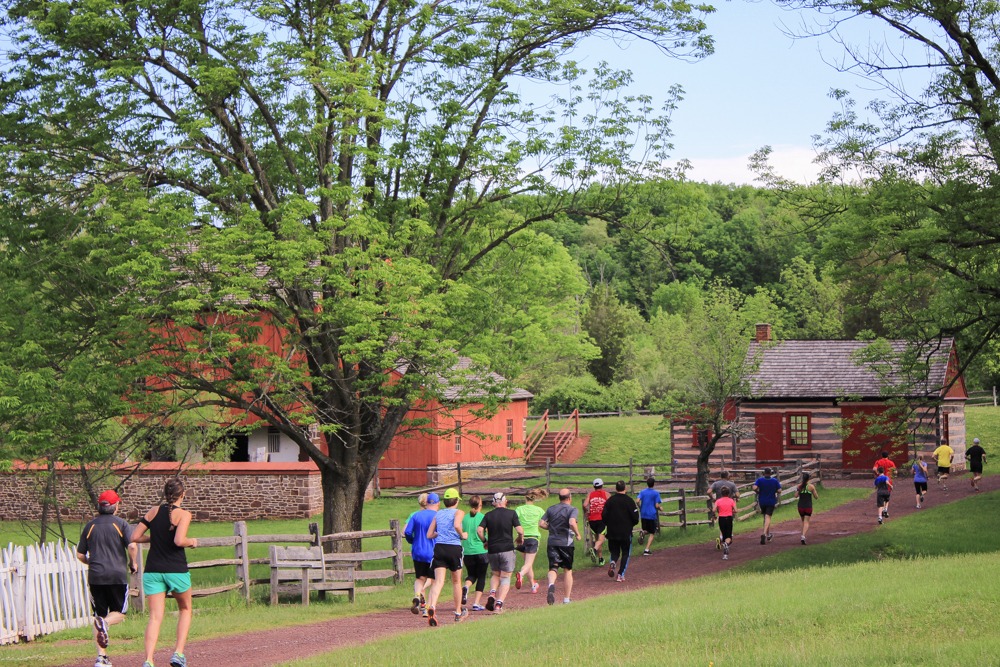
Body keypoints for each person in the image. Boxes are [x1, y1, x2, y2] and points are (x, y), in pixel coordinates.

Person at [130, 478, 198, 667]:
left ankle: (149, 660)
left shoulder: (153, 511)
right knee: (185, 609)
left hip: (153, 570)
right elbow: (178, 541)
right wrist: (192, 541)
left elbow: (134, 536)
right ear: (182, 495)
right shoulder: (184, 515)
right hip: (176, 569)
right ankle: (178, 653)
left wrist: (154, 538)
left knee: (155, 617)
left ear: (166, 494)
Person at [76, 489, 138, 667]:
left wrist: (91, 562)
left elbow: (80, 554)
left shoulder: (90, 526)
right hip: (117, 575)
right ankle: (106, 623)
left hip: (96, 577)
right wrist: (133, 563)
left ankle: (101, 658)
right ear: (116, 505)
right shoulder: (121, 524)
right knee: (119, 613)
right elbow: (132, 546)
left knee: (98, 615)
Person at [425, 487, 468, 626]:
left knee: (438, 581)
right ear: (456, 501)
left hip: (440, 548)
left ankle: (432, 606)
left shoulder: (438, 514)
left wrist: (440, 534)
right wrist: (463, 535)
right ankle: (457, 612)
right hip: (454, 547)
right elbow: (456, 525)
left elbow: (429, 534)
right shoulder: (459, 512)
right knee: (456, 582)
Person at [477, 492, 523, 614]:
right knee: (506, 577)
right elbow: (519, 529)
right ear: (505, 501)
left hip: (492, 550)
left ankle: (492, 592)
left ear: (493, 503)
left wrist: (485, 541)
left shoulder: (488, 515)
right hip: (507, 549)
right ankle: (498, 605)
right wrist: (520, 537)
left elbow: (479, 530)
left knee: (495, 574)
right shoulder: (511, 513)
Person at [538, 487, 582, 605]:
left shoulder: (551, 509)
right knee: (567, 570)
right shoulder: (572, 509)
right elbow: (572, 522)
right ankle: (566, 599)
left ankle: (551, 585)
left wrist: (551, 528)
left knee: (553, 567)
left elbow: (541, 523)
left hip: (552, 542)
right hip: (566, 543)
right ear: (569, 498)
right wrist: (578, 534)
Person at [404, 492, 438, 616]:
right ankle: (427, 608)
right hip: (433, 552)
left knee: (420, 578)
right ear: (437, 503)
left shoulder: (416, 516)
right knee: (434, 580)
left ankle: (417, 596)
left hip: (418, 551)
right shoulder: (438, 516)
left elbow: (407, 532)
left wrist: (412, 541)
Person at [601, 480, 638, 580]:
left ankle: (613, 562)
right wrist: (630, 525)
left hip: (612, 532)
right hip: (625, 532)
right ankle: (620, 574)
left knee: (614, 551)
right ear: (625, 488)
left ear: (616, 489)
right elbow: (636, 518)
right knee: (626, 552)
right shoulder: (630, 501)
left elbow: (603, 516)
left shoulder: (610, 501)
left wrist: (609, 524)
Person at [515, 488, 547, 594]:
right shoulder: (539, 510)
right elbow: (543, 523)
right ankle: (521, 574)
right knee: (528, 564)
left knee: (528, 564)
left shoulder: (519, 509)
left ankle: (533, 585)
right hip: (533, 538)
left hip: (522, 538)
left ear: (525, 497)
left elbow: (514, 521)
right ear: (535, 498)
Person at [460, 495, 488, 611]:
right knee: (481, 576)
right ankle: (476, 603)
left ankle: (466, 586)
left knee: (472, 574)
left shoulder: (464, 518)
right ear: (480, 504)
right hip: (481, 550)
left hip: (467, 551)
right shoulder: (483, 517)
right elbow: (485, 532)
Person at [708, 471, 739, 549]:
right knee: (729, 523)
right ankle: (726, 539)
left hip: (719, 504)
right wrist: (735, 498)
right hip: (730, 505)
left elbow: (709, 491)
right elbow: (738, 494)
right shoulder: (732, 484)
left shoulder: (716, 484)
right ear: (727, 476)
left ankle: (722, 537)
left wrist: (713, 498)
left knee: (721, 521)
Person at [753, 468, 781, 545]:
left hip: (762, 501)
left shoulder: (760, 480)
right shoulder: (774, 481)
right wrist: (774, 490)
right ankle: (764, 534)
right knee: (768, 517)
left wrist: (758, 491)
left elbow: (754, 487)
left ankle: (768, 535)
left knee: (765, 517)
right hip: (771, 501)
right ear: (771, 473)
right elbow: (779, 490)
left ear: (764, 473)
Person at [584, 479, 609, 565]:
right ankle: (594, 550)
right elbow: (611, 503)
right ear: (602, 485)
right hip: (602, 519)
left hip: (592, 520)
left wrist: (587, 512)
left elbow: (584, 505)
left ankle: (601, 559)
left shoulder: (590, 494)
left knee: (598, 540)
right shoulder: (606, 494)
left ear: (594, 486)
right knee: (601, 540)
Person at [636, 477, 662, 556]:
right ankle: (646, 550)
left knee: (646, 529)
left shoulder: (642, 492)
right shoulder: (656, 493)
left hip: (643, 514)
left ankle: (643, 532)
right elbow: (656, 505)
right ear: (653, 484)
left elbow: (637, 501)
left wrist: (640, 507)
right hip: (651, 514)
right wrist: (660, 508)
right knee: (653, 532)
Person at [714, 487, 737, 560]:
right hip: (729, 518)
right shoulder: (731, 500)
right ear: (728, 493)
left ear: (721, 493)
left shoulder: (718, 501)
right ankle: (726, 545)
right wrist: (731, 511)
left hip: (721, 518)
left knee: (723, 533)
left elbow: (714, 509)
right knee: (728, 535)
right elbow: (736, 510)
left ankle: (725, 545)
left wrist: (716, 514)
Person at [796, 472, 819, 544]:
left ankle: (803, 534)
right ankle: (803, 536)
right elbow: (816, 497)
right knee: (806, 521)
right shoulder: (811, 487)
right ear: (809, 479)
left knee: (803, 521)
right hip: (808, 506)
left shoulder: (799, 486)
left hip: (800, 506)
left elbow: (795, 496)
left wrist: (799, 491)